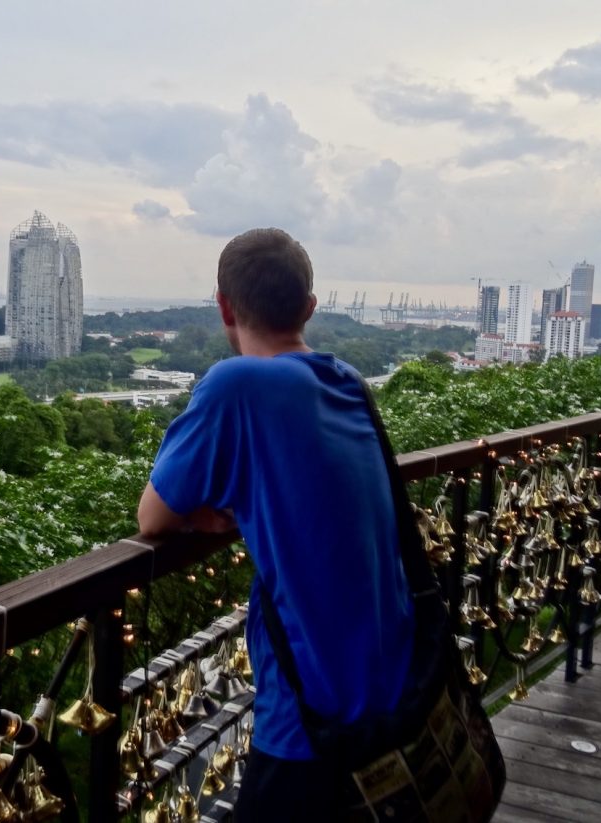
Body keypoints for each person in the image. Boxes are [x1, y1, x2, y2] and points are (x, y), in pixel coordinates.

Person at [137, 228, 419, 820]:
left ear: (224, 307)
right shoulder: (347, 381)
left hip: (312, 719)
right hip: (395, 693)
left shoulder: (236, 385)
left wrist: (223, 508)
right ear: (309, 308)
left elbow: (153, 516)